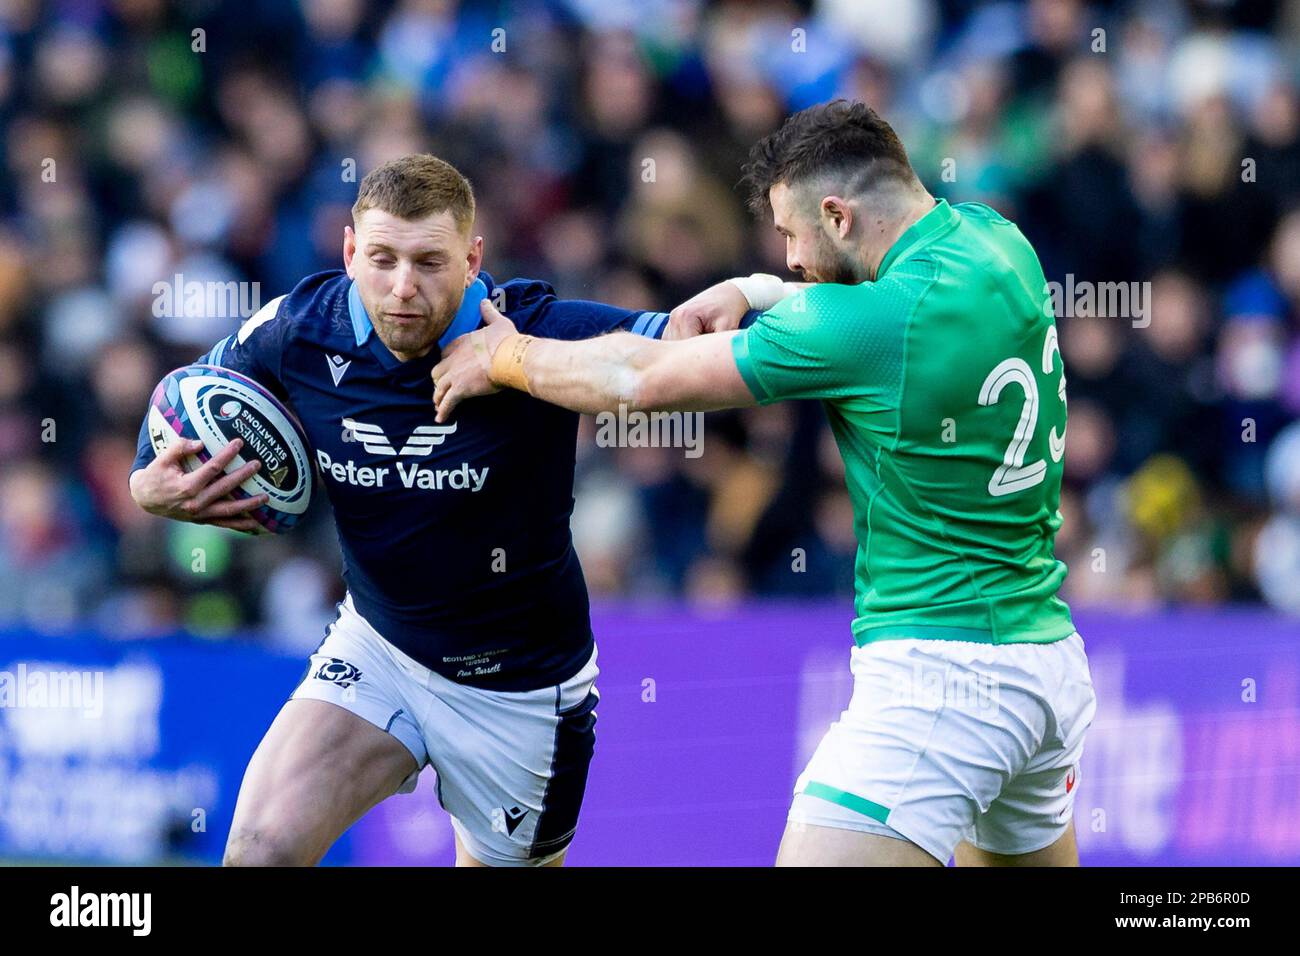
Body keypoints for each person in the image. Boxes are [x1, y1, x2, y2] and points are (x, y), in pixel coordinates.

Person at [431, 100, 1098, 867]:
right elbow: (872, 305)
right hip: (1044, 661)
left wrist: (504, 358)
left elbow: (639, 379)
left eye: (789, 233)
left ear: (840, 216)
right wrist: (754, 288)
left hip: (943, 679)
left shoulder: (869, 326)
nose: (789, 259)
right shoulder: (996, 241)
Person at [128, 154, 674, 867]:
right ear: (350, 251)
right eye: (381, 259)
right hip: (379, 648)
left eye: (429, 262)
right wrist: (148, 483)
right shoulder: (300, 328)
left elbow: (683, 352)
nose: (402, 287)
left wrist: (772, 302)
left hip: (521, 693)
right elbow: (188, 394)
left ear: (473, 258)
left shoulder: (536, 329)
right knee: (258, 853)